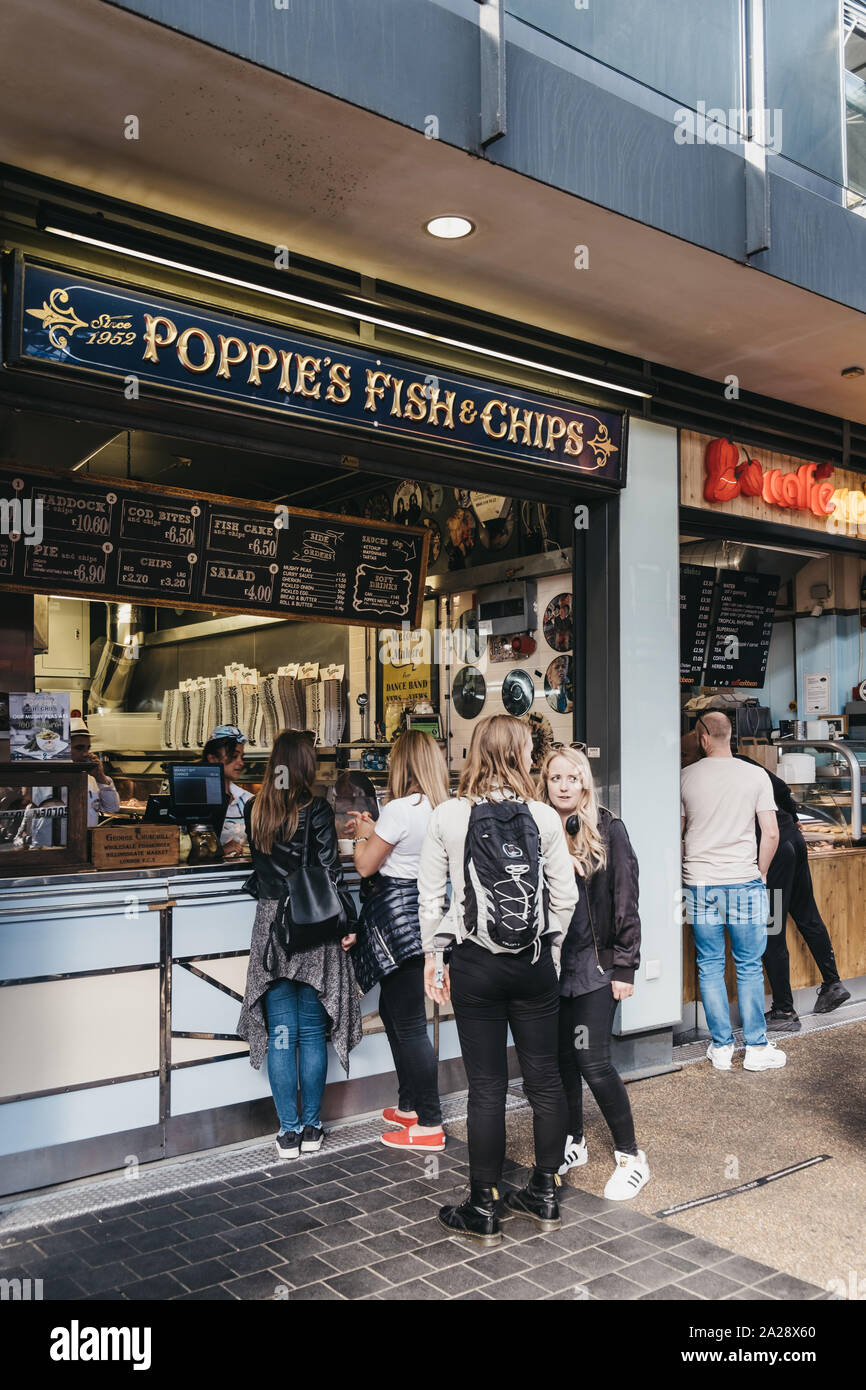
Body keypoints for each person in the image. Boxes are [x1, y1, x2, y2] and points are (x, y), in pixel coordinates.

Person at [418, 714, 578, 1246]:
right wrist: (550, 953)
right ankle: (546, 1194)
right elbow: (566, 898)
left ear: (476, 751)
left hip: (474, 965)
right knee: (545, 1082)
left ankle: (483, 1206)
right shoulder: (545, 817)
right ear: (523, 755)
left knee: (486, 1087)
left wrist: (433, 960)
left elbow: (432, 900)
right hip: (533, 966)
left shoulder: (447, 815)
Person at [237, 730, 362, 1160]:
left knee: (281, 1035)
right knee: (311, 1033)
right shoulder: (319, 811)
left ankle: (286, 1133)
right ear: (304, 766)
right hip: (312, 922)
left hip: (272, 924)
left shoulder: (255, 810)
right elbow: (330, 874)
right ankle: (312, 1127)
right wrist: (350, 921)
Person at [538, 746, 650, 1200]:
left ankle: (631, 1157)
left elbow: (626, 898)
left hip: (596, 966)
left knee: (592, 1061)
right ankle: (574, 1141)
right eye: (554, 778)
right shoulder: (541, 827)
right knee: (563, 1059)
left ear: (585, 782)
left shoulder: (609, 827)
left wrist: (625, 965)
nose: (563, 786)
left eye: (571, 778)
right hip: (553, 966)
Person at [682, 730, 850, 1029]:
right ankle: (833, 982)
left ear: (703, 745)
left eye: (685, 754)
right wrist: (793, 821)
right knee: (807, 913)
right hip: (792, 842)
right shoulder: (746, 765)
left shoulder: (695, 775)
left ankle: (785, 1011)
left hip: (771, 852)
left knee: (770, 926)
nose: (684, 759)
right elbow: (784, 791)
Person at [348, 729, 449, 1151]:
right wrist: (378, 828)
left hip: (399, 924)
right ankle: (409, 1105)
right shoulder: (444, 808)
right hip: (430, 918)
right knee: (394, 1011)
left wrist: (360, 835)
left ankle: (430, 1122)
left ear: (400, 764)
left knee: (408, 1024)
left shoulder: (398, 809)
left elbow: (367, 866)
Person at [681, 712, 784, 1072]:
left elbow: (678, 834)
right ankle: (756, 1048)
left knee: (709, 964)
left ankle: (722, 1048)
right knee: (749, 965)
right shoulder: (755, 775)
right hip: (744, 882)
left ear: (703, 736)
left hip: (699, 883)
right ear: (729, 736)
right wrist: (760, 872)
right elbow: (771, 833)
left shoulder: (685, 777)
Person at [202, 724, 252, 856]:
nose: (240, 762)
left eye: (242, 757)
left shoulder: (247, 800)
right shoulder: (197, 800)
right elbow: (186, 851)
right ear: (212, 758)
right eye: (234, 756)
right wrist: (221, 850)